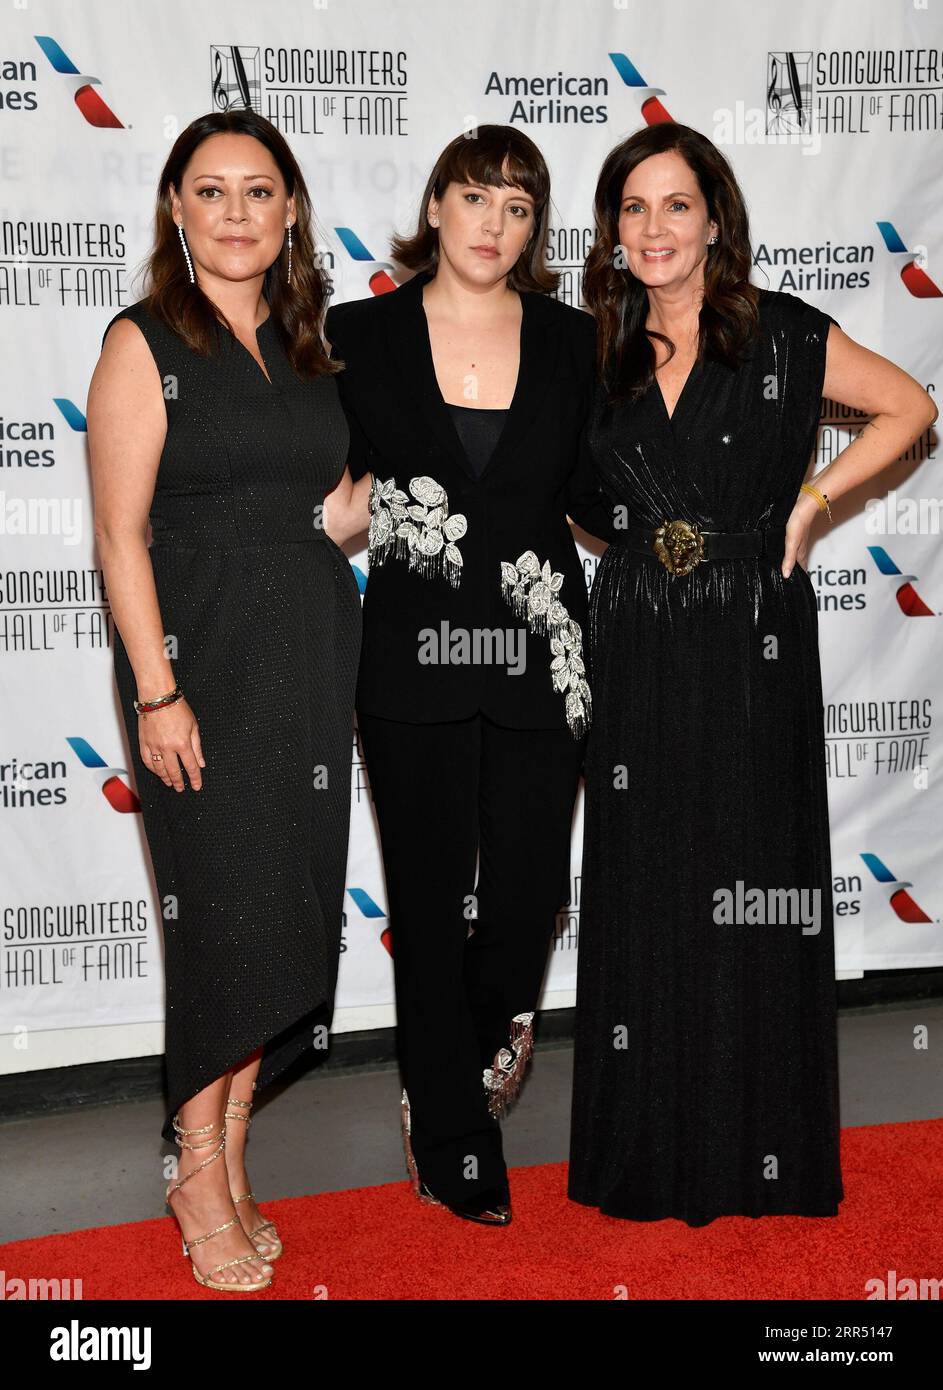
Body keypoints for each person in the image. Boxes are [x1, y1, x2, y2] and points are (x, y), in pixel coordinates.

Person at [567, 122, 937, 1226]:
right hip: (635, 628)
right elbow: (574, 496)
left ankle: (754, 1149)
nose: (653, 228)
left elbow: (911, 407)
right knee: (647, 878)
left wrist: (815, 504)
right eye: (632, 209)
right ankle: (648, 1154)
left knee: (749, 875)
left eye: (675, 205)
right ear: (611, 231)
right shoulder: (593, 351)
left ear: (715, 220)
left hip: (749, 631)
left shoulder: (781, 336)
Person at [87, 110, 362, 1289]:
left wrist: (358, 516)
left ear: (292, 210)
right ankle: (194, 1168)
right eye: (212, 191)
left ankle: (235, 1159)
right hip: (197, 669)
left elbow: (327, 503)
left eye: (260, 190)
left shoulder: (313, 349)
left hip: (307, 658)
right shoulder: (142, 342)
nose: (238, 211)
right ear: (177, 211)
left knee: (278, 917)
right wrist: (157, 691)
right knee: (219, 927)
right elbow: (118, 533)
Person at [323, 126, 614, 1225]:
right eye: (476, 198)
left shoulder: (574, 338)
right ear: (435, 205)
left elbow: (594, 496)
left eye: (518, 207)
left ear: (536, 228)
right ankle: (449, 1126)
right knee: (429, 903)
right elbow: (334, 489)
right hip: (410, 662)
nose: (494, 224)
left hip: (547, 658)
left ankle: (491, 1029)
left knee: (532, 894)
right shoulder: (357, 334)